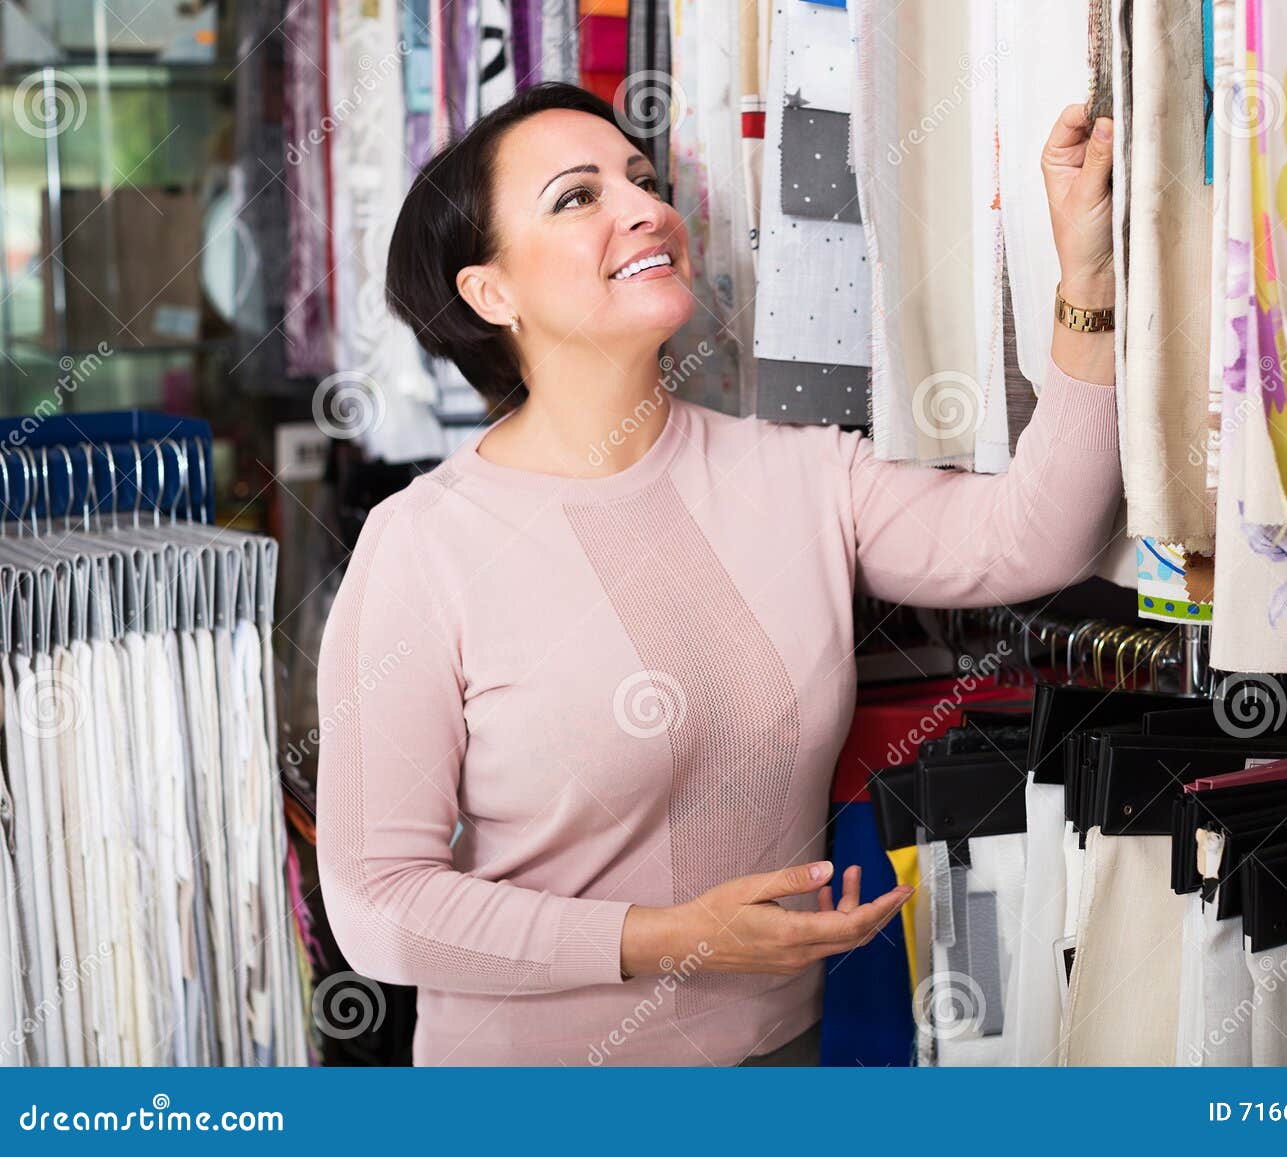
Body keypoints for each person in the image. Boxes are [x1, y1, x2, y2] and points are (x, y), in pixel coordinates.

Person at [316, 81, 1121, 1066]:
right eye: (578, 197)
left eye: (641, 178)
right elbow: (379, 907)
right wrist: (666, 936)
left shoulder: (796, 470)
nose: (644, 207)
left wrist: (1088, 284)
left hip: (780, 1054)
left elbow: (1035, 539)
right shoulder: (424, 543)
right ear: (490, 292)